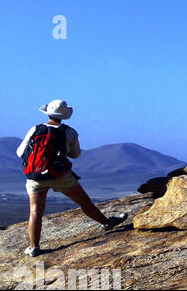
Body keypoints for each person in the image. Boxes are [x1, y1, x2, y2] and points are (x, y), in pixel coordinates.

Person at [17, 99, 127, 256]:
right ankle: (107, 223)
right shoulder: (69, 132)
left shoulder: (35, 129)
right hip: (60, 175)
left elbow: (20, 152)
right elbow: (75, 155)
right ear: (64, 116)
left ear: (48, 112)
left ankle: (34, 247)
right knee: (83, 201)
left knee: (35, 211)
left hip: (35, 176)